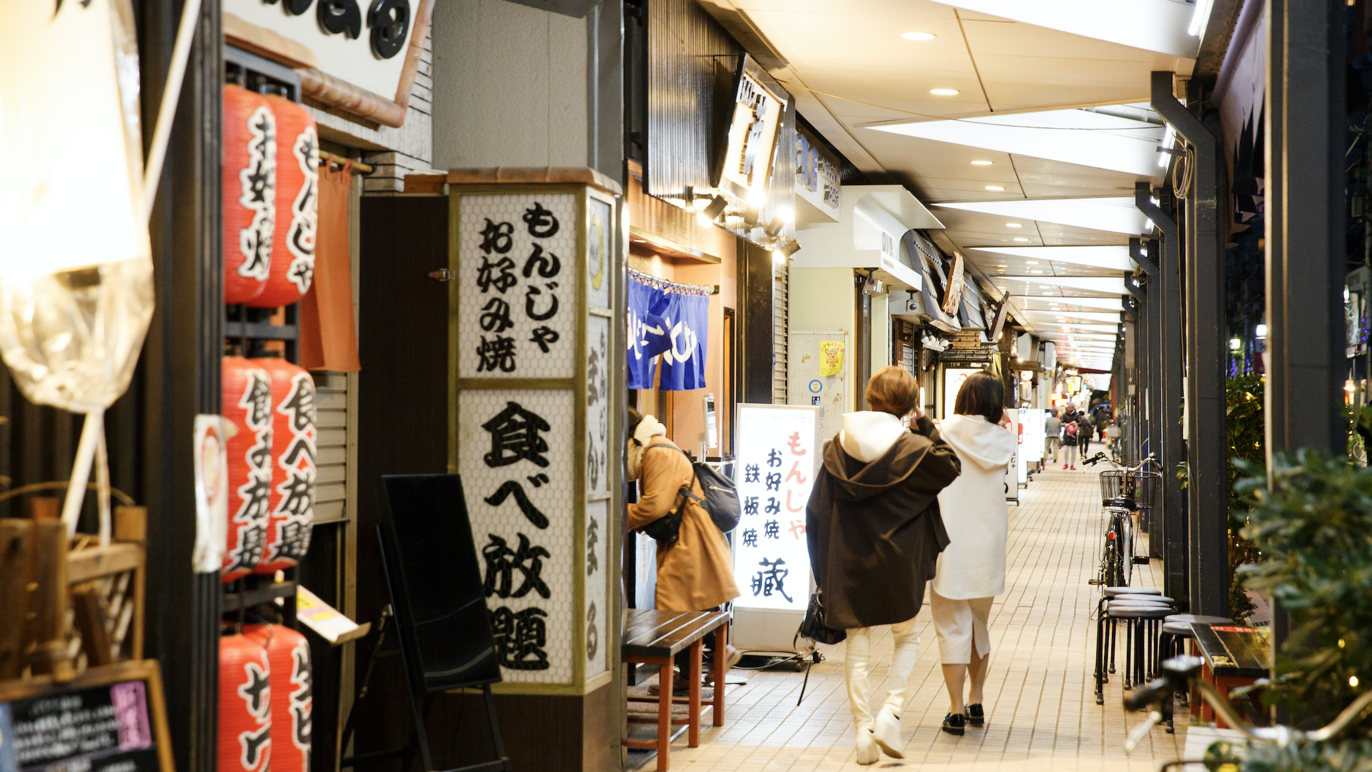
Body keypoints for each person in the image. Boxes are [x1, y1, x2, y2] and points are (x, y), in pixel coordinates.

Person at [806, 366, 961, 764]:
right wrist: (926, 425)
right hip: (901, 561)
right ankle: (890, 713)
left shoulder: (836, 448)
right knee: (906, 637)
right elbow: (951, 465)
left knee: (857, 647)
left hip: (849, 562)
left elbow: (816, 512)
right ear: (910, 406)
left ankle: (862, 731)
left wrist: (823, 573)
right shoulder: (916, 450)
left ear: (870, 397)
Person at [626, 408, 740, 694]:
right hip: (688, 537)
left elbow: (655, 506)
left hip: (690, 539)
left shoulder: (657, 452)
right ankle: (696, 670)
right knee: (690, 605)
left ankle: (713, 657)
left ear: (630, 439)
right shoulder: (657, 449)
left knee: (680, 608)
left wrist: (617, 515)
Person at [930, 370, 1017, 736]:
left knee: (952, 625)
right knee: (979, 623)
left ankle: (955, 711)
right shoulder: (1004, 440)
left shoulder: (942, 431)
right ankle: (976, 700)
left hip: (950, 541)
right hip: (988, 543)